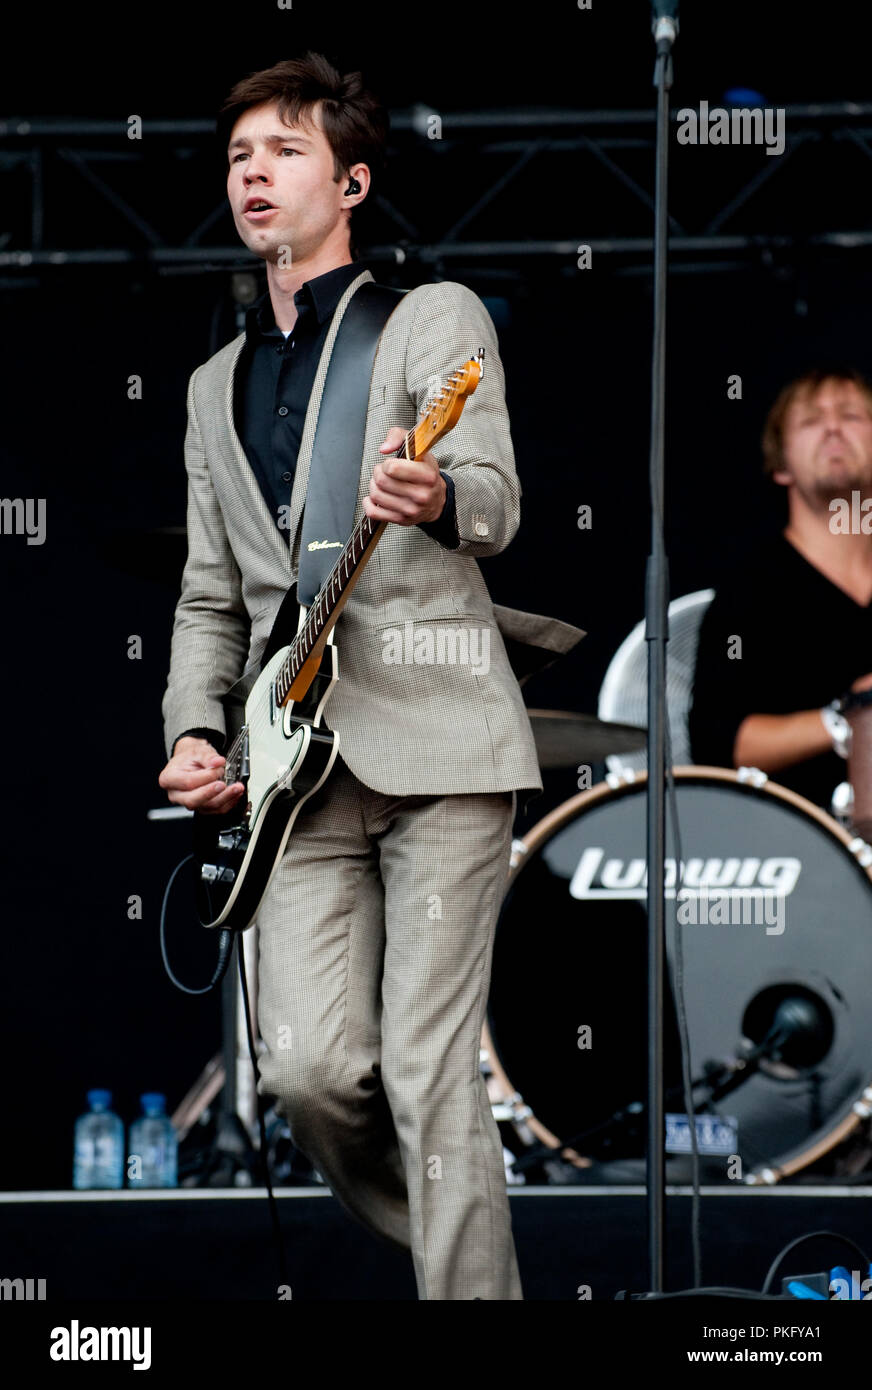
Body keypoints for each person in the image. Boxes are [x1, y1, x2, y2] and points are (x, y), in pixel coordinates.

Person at [157, 52, 582, 1300]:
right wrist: (192, 730)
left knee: (424, 1071)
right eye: (238, 155)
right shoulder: (212, 388)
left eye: (284, 150)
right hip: (289, 770)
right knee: (301, 1072)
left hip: (438, 742)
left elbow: (494, 500)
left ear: (348, 183)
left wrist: (435, 491)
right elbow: (209, 594)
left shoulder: (428, 320)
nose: (253, 172)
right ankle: (474, 1252)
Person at [689, 367, 872, 810]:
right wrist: (849, 718)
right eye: (811, 420)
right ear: (780, 466)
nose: (833, 428)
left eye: (851, 415)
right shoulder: (750, 590)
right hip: (798, 836)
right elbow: (718, 745)